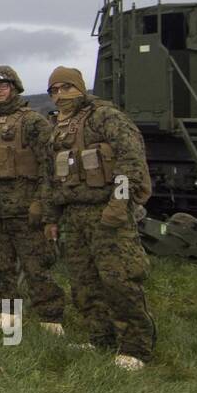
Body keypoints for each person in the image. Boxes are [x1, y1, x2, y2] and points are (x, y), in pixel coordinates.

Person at [44, 66, 156, 371]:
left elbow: (131, 160)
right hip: (74, 215)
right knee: (84, 281)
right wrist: (50, 217)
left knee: (119, 278)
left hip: (107, 212)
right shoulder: (58, 128)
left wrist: (119, 204)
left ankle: (136, 347)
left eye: (66, 88)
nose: (60, 95)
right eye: (54, 90)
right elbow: (52, 177)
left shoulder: (106, 117)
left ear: (80, 88)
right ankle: (101, 337)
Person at [0, 66, 66, 333]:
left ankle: (50, 316)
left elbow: (48, 167)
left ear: (15, 88)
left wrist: (42, 203)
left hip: (25, 210)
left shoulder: (33, 123)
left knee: (36, 266)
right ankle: (2, 310)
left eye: (3, 85)